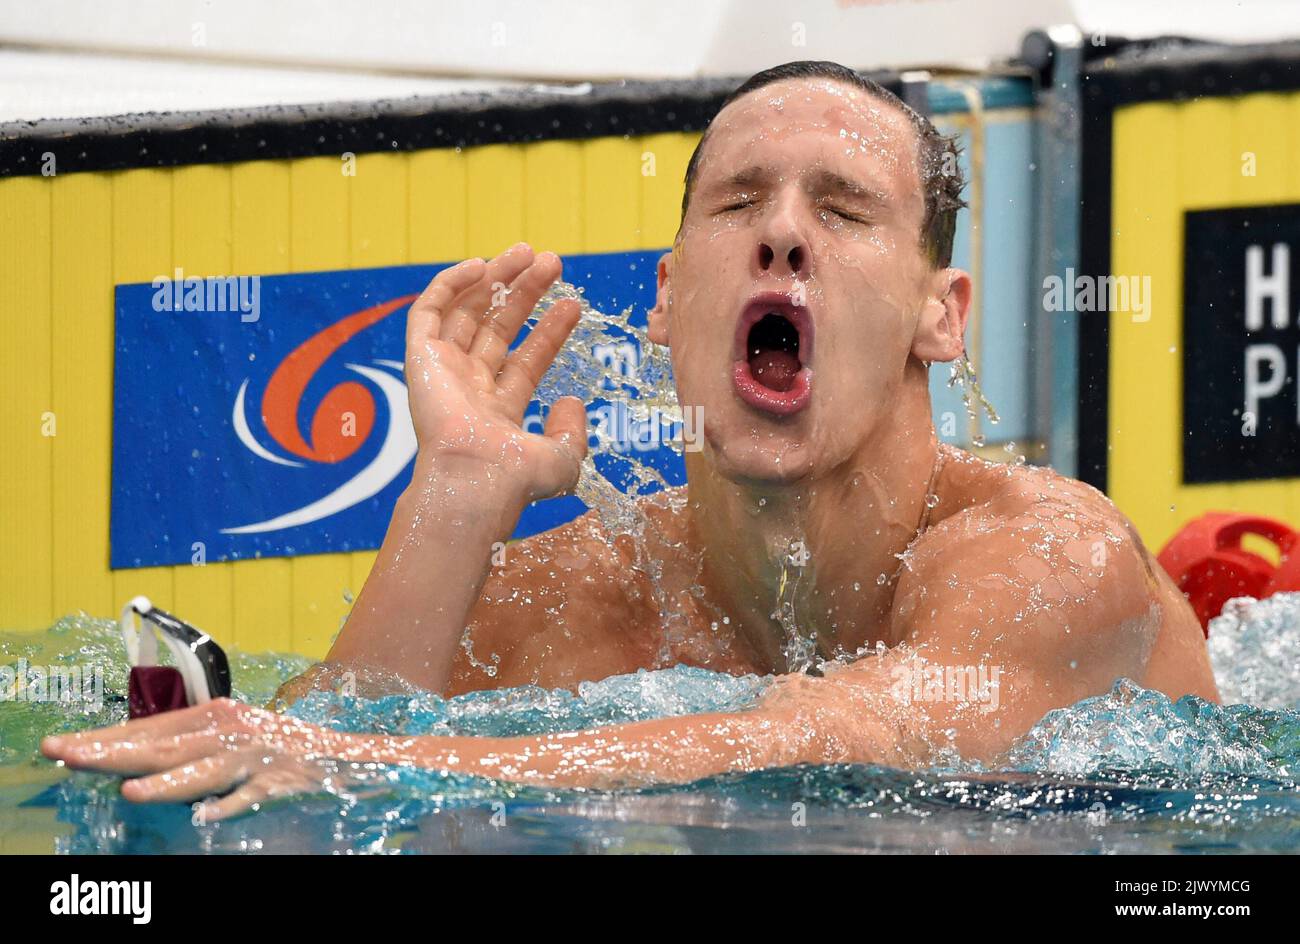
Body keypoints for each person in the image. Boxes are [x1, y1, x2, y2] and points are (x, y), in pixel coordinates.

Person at [41, 61, 1217, 820]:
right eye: (740, 203)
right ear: (665, 298)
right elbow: (312, 772)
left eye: (845, 210)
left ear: (939, 315)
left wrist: (409, 767)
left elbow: (838, 737)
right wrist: (451, 500)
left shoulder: (1048, 561)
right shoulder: (582, 596)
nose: (784, 238)